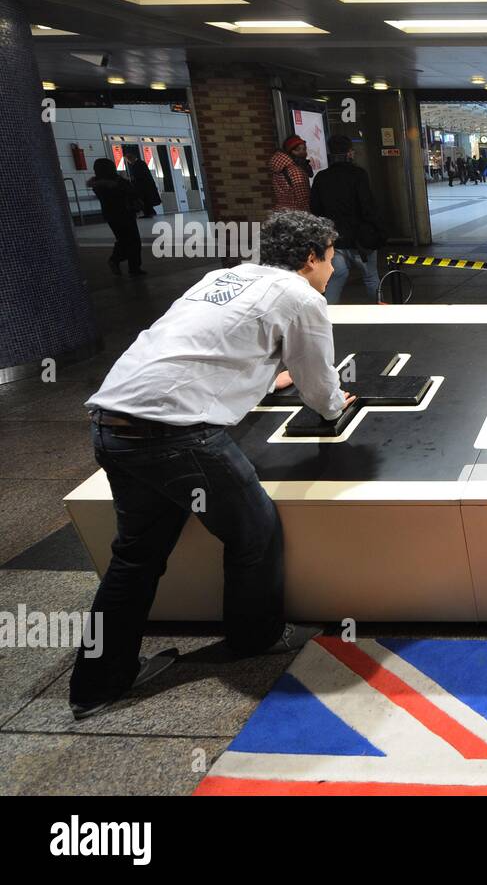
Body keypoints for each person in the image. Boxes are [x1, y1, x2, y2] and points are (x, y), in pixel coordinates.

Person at [72, 210, 356, 720]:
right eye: (330, 260)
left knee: (136, 556)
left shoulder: (220, 277)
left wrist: (270, 380)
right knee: (255, 531)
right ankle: (255, 637)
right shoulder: (301, 296)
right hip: (177, 435)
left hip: (113, 422)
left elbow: (204, 347)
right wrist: (336, 406)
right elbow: (319, 382)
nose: (332, 270)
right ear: (310, 258)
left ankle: (96, 685)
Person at [311, 133, 385, 303]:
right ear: (349, 153)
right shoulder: (358, 174)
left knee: (337, 278)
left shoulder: (321, 177)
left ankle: (330, 315)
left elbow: (315, 209)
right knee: (371, 277)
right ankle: (383, 314)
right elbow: (367, 206)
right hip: (361, 238)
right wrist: (379, 231)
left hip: (335, 239)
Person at [88, 158, 145, 277]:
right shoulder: (115, 182)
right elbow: (129, 191)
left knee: (124, 240)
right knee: (132, 240)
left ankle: (121, 262)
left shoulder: (98, 184)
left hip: (111, 215)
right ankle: (128, 265)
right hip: (124, 213)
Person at [270, 135, 313, 212]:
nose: (302, 152)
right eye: (298, 149)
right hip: (297, 213)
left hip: (282, 211)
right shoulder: (295, 171)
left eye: (304, 149)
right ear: (290, 151)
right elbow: (303, 199)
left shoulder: (280, 168)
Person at [127, 153, 161, 218]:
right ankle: (149, 212)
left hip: (143, 187)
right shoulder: (141, 163)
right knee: (146, 200)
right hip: (146, 186)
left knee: (145, 200)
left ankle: (149, 213)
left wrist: (132, 179)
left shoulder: (137, 164)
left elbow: (139, 175)